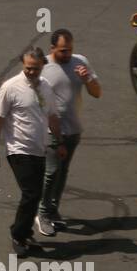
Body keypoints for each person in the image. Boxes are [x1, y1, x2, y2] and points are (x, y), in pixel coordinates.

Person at [0, 48, 66, 257]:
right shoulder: (10, 88)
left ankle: (24, 231)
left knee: (34, 194)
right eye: (28, 68)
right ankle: (18, 235)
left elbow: (53, 117)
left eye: (36, 69)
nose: (31, 72)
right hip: (18, 149)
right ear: (23, 65)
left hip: (39, 149)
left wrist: (59, 143)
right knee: (31, 193)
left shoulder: (46, 88)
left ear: (43, 67)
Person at [37, 29, 102, 235]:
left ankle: (53, 210)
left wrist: (87, 80)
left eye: (70, 50)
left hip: (73, 129)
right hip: (51, 129)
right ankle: (43, 213)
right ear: (52, 48)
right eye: (63, 51)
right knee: (52, 172)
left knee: (62, 172)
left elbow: (97, 93)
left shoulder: (80, 61)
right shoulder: (42, 66)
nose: (68, 55)